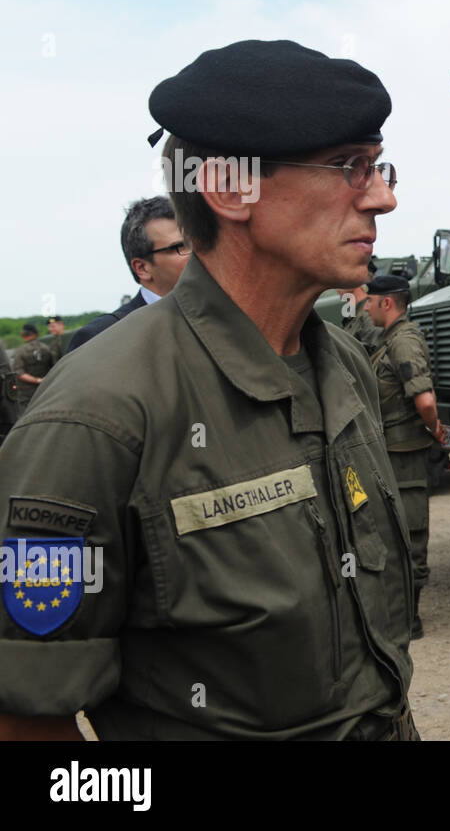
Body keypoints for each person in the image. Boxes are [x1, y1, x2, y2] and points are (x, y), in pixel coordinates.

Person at [0, 38, 417, 740]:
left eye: (380, 167)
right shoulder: (98, 413)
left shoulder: (342, 365)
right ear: (230, 188)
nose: (384, 196)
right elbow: (25, 717)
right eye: (350, 166)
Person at [363, 273, 445, 639]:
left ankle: (409, 617)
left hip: (406, 453)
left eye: (370, 301)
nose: (364, 307)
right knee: (390, 528)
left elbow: (424, 399)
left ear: (387, 303)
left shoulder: (405, 342)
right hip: (390, 450)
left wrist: (433, 428)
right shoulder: (388, 340)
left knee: (410, 530)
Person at [66, 196, 192, 353]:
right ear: (142, 268)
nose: (199, 254)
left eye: (200, 241)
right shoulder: (102, 337)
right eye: (181, 246)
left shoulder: (223, 320)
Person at [10, 324, 55, 417]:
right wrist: (44, 380)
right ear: (36, 334)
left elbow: (18, 372)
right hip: (46, 389)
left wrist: (37, 380)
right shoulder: (46, 348)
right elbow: (54, 367)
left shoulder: (20, 351)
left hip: (26, 393)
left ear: (23, 335)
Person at [339, 283, 381, 352]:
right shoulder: (354, 312)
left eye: (339, 281)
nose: (336, 288)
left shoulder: (368, 313)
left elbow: (373, 351)